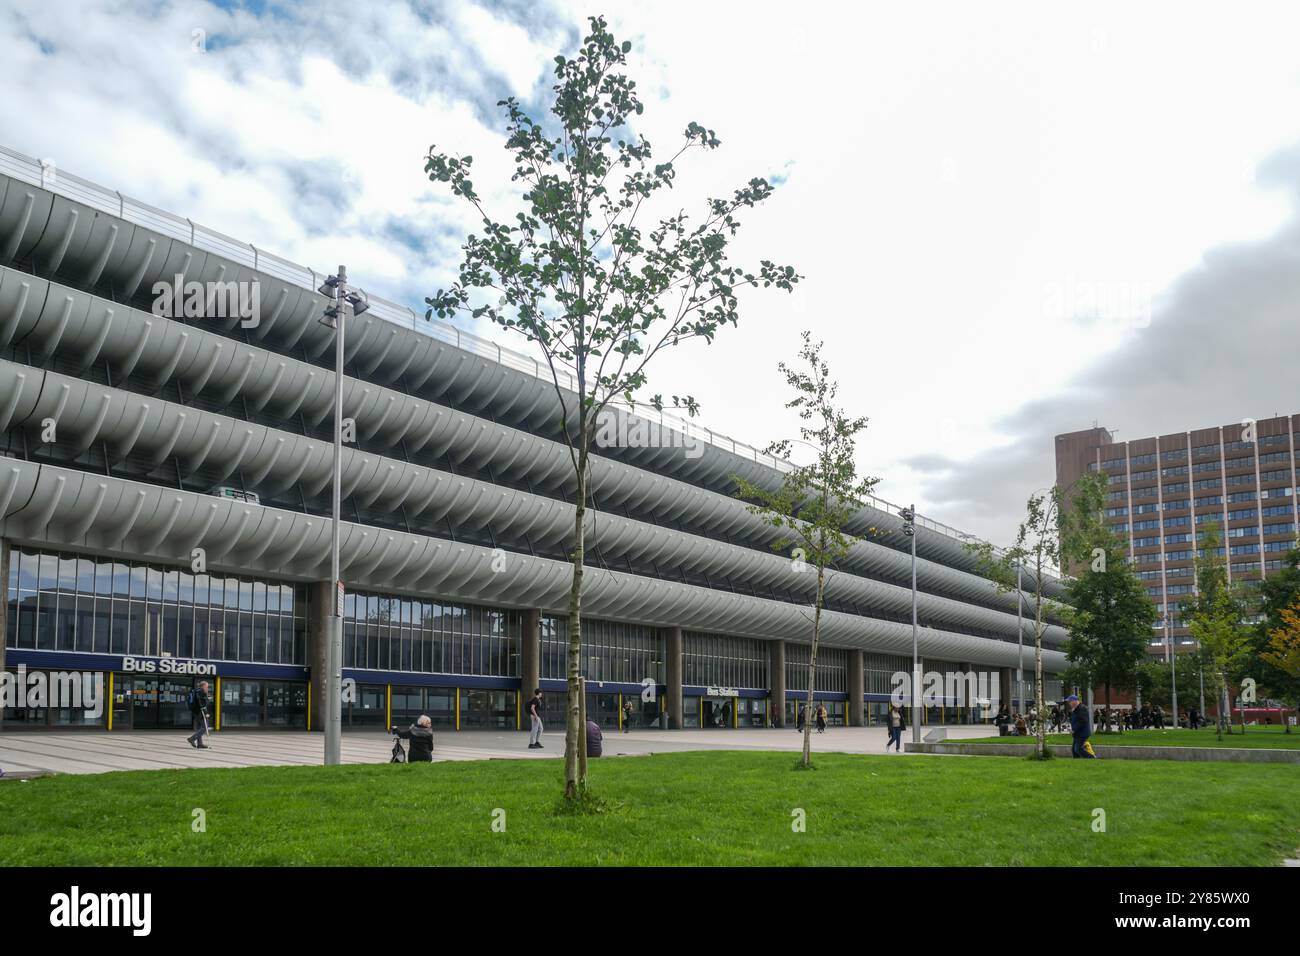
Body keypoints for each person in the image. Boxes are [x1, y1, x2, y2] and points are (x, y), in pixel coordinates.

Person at [1066, 694, 1095, 759]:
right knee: (1074, 750)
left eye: (1070, 701)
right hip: (1077, 733)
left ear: (1074, 701)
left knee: (1077, 749)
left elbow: (1082, 721)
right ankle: (1077, 763)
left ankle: (1091, 758)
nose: (1069, 703)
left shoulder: (1082, 708)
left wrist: (1074, 729)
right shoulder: (1076, 709)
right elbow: (1075, 720)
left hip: (1082, 733)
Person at [186, 680, 211, 749]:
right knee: (204, 727)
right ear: (203, 686)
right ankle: (192, 739)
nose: (207, 688)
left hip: (196, 712)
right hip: (201, 712)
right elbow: (202, 704)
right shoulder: (201, 692)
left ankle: (200, 744)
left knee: (199, 728)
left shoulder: (196, 691)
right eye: (207, 686)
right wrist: (206, 713)